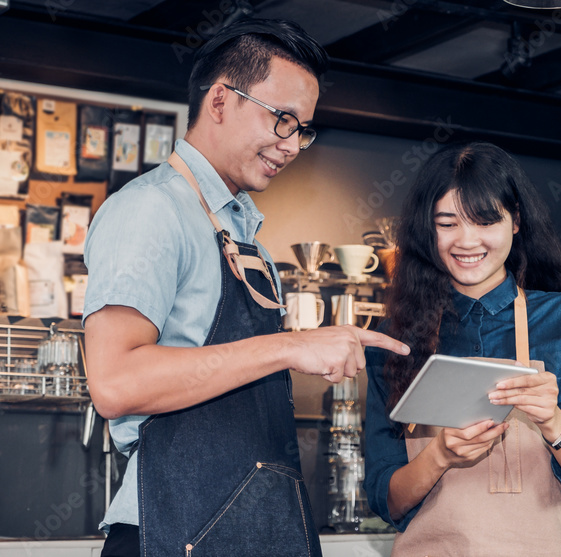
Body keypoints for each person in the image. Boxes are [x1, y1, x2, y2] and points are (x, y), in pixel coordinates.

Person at [82, 18, 410, 557]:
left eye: (302, 130)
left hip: (244, 526)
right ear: (219, 102)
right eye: (282, 120)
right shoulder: (151, 209)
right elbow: (115, 383)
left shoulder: (234, 227)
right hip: (174, 529)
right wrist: (289, 345)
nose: (292, 145)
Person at [363, 142, 561, 556]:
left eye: (484, 221)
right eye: (447, 223)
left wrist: (552, 422)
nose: (466, 241)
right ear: (428, 229)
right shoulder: (395, 338)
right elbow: (385, 498)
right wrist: (440, 454)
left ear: (515, 221)